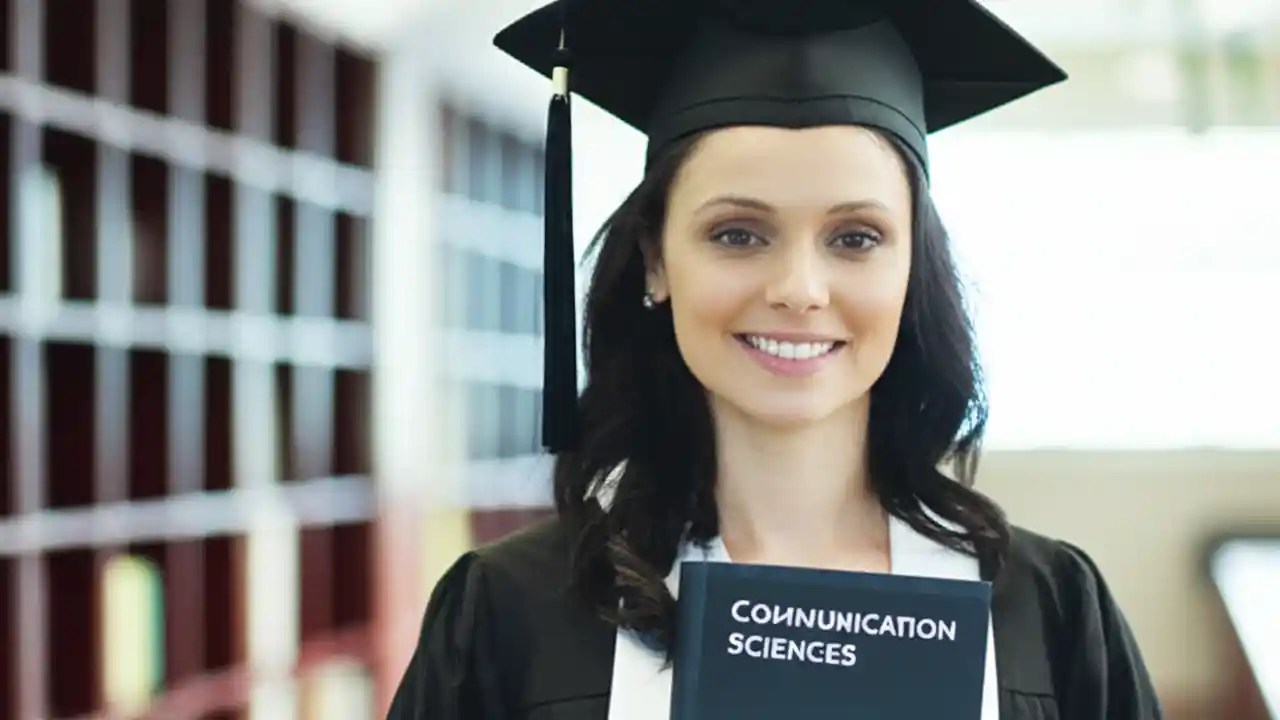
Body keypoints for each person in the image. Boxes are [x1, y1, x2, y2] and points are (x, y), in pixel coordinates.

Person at [387, 0, 1164, 718]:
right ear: (656, 262)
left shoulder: (1047, 610)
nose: (799, 289)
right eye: (738, 234)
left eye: (855, 238)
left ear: (910, 268)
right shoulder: (511, 613)